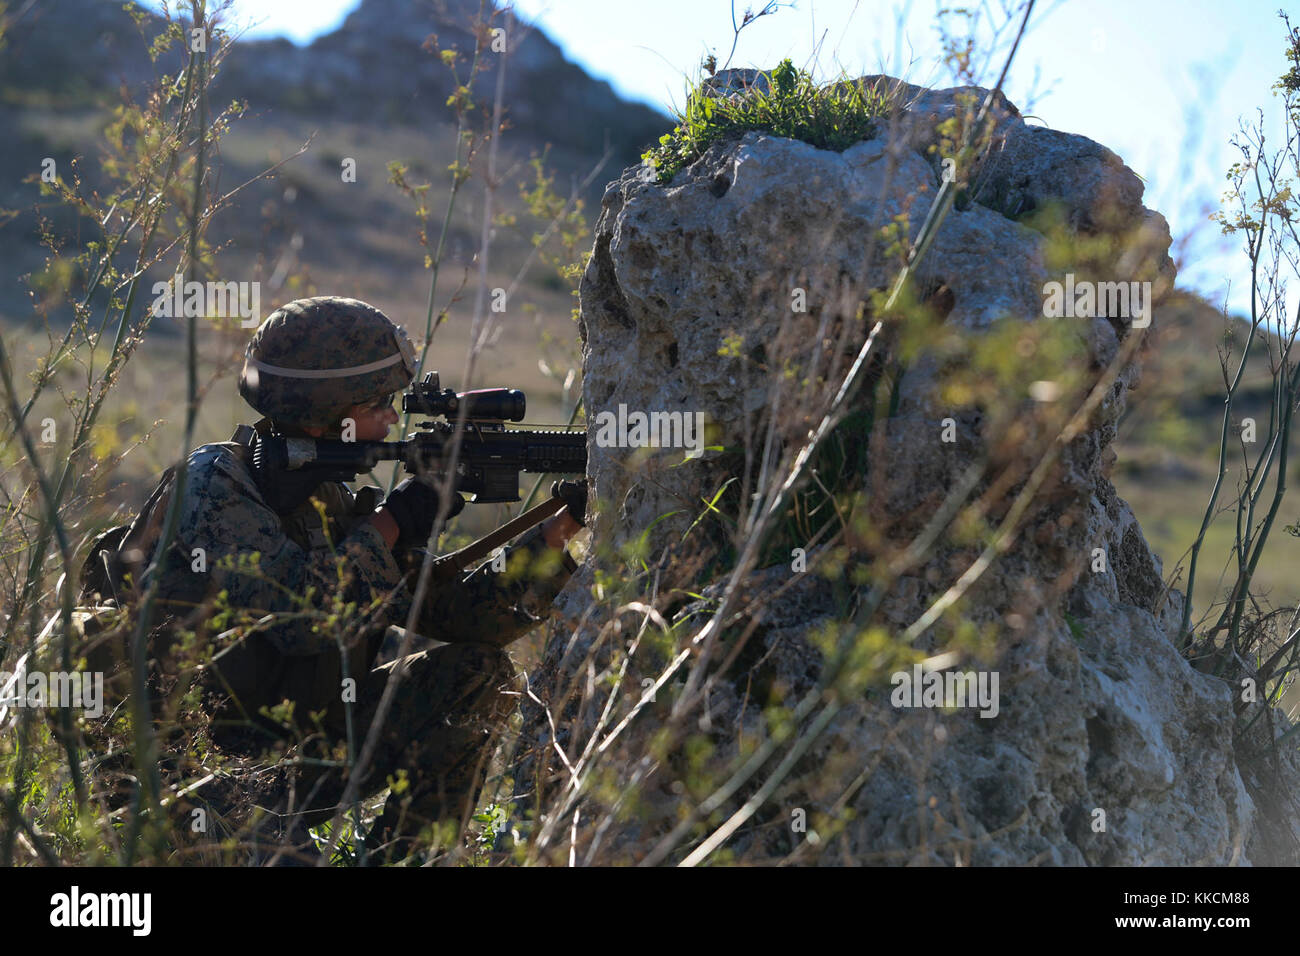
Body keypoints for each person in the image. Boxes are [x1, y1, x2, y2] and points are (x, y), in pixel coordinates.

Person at [102, 296, 584, 862]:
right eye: (379, 402)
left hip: (300, 752)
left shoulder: (324, 495)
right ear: (324, 411)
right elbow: (303, 620)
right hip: (190, 780)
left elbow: (457, 618)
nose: (392, 417)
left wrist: (557, 531)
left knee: (475, 674)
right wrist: (396, 520)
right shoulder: (212, 486)